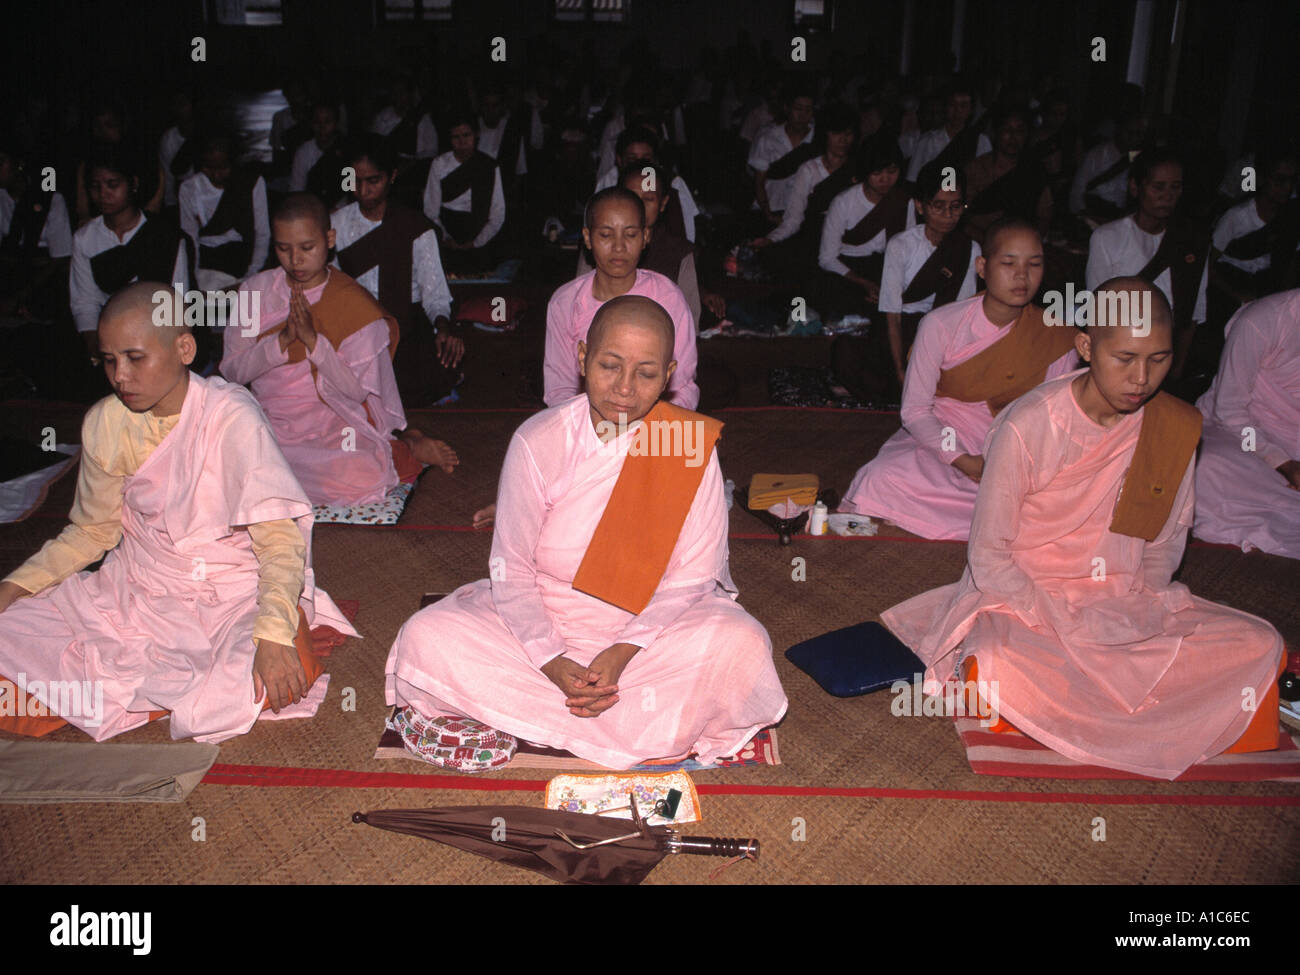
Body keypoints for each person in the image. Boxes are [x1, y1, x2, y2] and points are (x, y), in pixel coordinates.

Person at [881, 278, 1284, 780]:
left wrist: (1135, 609)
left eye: (1158, 359)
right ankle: (1105, 691)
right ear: (1087, 347)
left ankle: (1100, 691)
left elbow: (1165, 543)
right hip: (1029, 599)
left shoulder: (1172, 426)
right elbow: (988, 557)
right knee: (1003, 659)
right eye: (1125, 358)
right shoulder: (1028, 424)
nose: (1141, 378)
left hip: (1121, 596)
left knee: (1260, 642)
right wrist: (1061, 620)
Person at [385, 295, 788, 770]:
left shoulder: (685, 445)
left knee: (741, 643)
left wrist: (620, 652)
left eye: (646, 373)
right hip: (545, 621)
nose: (624, 388)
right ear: (582, 359)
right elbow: (511, 570)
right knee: (428, 635)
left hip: (650, 637)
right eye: (610, 366)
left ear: (671, 374)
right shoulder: (539, 440)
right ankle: (630, 726)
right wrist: (551, 660)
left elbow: (693, 579)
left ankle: (536, 717)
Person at [0, 282, 355, 741]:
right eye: (109, 361)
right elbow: (92, 532)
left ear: (183, 348)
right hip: (141, 589)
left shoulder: (231, 417)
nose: (120, 377)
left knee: (254, 676)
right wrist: (16, 584)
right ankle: (142, 690)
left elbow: (280, 540)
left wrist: (271, 633)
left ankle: (122, 692)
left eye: (135, 358)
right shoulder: (106, 423)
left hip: (229, 595)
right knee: (11, 626)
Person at [840, 218, 1077, 537]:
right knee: (883, 476)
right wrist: (963, 461)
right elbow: (915, 412)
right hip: (946, 434)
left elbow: (1053, 423)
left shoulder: (1057, 339)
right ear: (982, 266)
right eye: (1008, 263)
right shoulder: (940, 324)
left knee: (1056, 498)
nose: (1022, 275)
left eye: (1034, 264)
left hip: (1013, 443)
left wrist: (1007, 461)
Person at [221, 193, 457, 507]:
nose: (296, 260)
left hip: (331, 420)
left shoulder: (351, 302)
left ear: (329, 239)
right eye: (283, 248)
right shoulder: (255, 291)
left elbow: (356, 391)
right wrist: (282, 341)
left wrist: (314, 343)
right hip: (271, 420)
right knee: (224, 463)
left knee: (362, 472)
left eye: (307, 248)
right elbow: (233, 371)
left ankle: (406, 446)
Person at [333, 135, 462, 407]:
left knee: (429, 373)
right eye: (356, 181)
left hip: (402, 327)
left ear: (391, 177)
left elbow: (435, 293)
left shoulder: (416, 228)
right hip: (354, 325)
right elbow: (328, 286)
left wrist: (442, 328)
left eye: (373, 181)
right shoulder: (337, 224)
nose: (364, 190)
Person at [544, 186, 698, 409]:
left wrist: (650, 429)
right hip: (589, 418)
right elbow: (560, 389)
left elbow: (682, 384)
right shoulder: (565, 302)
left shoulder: (668, 297)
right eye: (606, 235)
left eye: (630, 235)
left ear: (645, 236)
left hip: (653, 417)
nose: (618, 247)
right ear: (587, 237)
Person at [1193, 288, 1300, 559]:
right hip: (1239, 434)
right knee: (1205, 466)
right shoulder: (1262, 320)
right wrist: (1283, 462)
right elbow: (1230, 412)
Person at [1086, 149, 1208, 378]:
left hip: (1168, 353)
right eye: (1158, 187)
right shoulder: (1108, 238)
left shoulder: (1192, 240)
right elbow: (1097, 310)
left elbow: (1193, 311)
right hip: (1121, 350)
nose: (1168, 196)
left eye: (1175, 187)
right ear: (1135, 188)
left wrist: (1177, 367)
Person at [70, 143, 188, 357]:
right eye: (95, 186)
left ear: (133, 184)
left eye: (112, 184)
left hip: (159, 333)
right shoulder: (85, 239)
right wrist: (98, 349)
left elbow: (179, 297)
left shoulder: (165, 235)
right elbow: (85, 302)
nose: (103, 193)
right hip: (109, 336)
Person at [877, 164, 981, 394]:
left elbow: (962, 311)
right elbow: (891, 314)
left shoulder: (968, 249)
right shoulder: (900, 246)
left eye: (955, 207)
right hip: (904, 328)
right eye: (939, 206)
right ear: (920, 206)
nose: (947, 216)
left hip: (942, 331)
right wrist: (900, 369)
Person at [751, 102, 858, 271]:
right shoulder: (809, 170)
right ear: (825, 134)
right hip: (814, 238)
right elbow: (793, 219)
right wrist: (770, 239)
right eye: (836, 133)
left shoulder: (857, 170)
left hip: (847, 242)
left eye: (849, 134)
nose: (843, 140)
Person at [817, 137, 915, 322]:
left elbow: (907, 248)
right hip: (848, 269)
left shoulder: (903, 201)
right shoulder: (843, 202)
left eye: (892, 172)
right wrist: (864, 283)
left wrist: (890, 284)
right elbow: (827, 258)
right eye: (877, 173)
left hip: (885, 267)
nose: (885, 179)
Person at [178, 133, 270, 290]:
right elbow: (190, 238)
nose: (216, 175)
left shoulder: (250, 183)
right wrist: (192, 279)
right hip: (205, 262)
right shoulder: (190, 188)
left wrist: (251, 276)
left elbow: (262, 234)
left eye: (223, 168)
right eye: (208, 168)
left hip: (242, 258)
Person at [1209, 147, 1300, 305]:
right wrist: (1236, 294)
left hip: (1265, 291)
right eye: (1280, 180)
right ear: (1263, 179)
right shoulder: (1236, 216)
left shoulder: (1291, 218)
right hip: (1228, 290)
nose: (1287, 187)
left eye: (1292, 181)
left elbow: (1291, 265)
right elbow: (1206, 266)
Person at [420, 109, 506, 273]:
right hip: (447, 238)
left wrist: (477, 242)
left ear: (476, 135)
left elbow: (498, 212)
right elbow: (431, 208)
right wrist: (445, 238)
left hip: (479, 238)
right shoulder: (439, 164)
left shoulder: (488, 166)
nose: (462, 142)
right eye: (456, 137)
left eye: (466, 135)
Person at [593, 125, 699, 242]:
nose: (640, 165)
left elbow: (687, 232)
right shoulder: (608, 182)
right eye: (632, 159)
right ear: (619, 160)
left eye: (646, 159)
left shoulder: (673, 183)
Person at [963, 106, 1052, 243]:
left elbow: (1044, 216)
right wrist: (991, 243)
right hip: (980, 243)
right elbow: (962, 215)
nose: (1013, 136)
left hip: (1022, 245)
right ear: (996, 132)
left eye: (1019, 131)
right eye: (1007, 129)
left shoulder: (1034, 171)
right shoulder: (976, 168)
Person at [747, 85, 816, 226]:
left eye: (808, 110)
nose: (802, 116)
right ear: (787, 108)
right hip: (770, 209)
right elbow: (758, 182)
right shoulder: (768, 137)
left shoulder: (818, 138)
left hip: (803, 212)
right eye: (798, 109)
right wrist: (768, 214)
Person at [905, 82, 993, 183]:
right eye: (952, 104)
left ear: (971, 110)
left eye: (963, 105)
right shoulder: (928, 141)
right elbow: (912, 178)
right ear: (945, 107)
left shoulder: (981, 141)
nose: (957, 110)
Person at [1068, 111, 1148, 221]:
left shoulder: (1142, 159)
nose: (1134, 138)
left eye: (1139, 134)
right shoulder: (1097, 154)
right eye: (1130, 132)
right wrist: (1085, 216)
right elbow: (1077, 191)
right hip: (1094, 214)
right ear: (1119, 130)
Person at [289, 102, 344, 201]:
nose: (322, 127)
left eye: (327, 122)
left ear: (336, 123)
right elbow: (296, 190)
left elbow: (350, 190)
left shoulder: (347, 150)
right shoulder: (303, 153)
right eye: (317, 122)